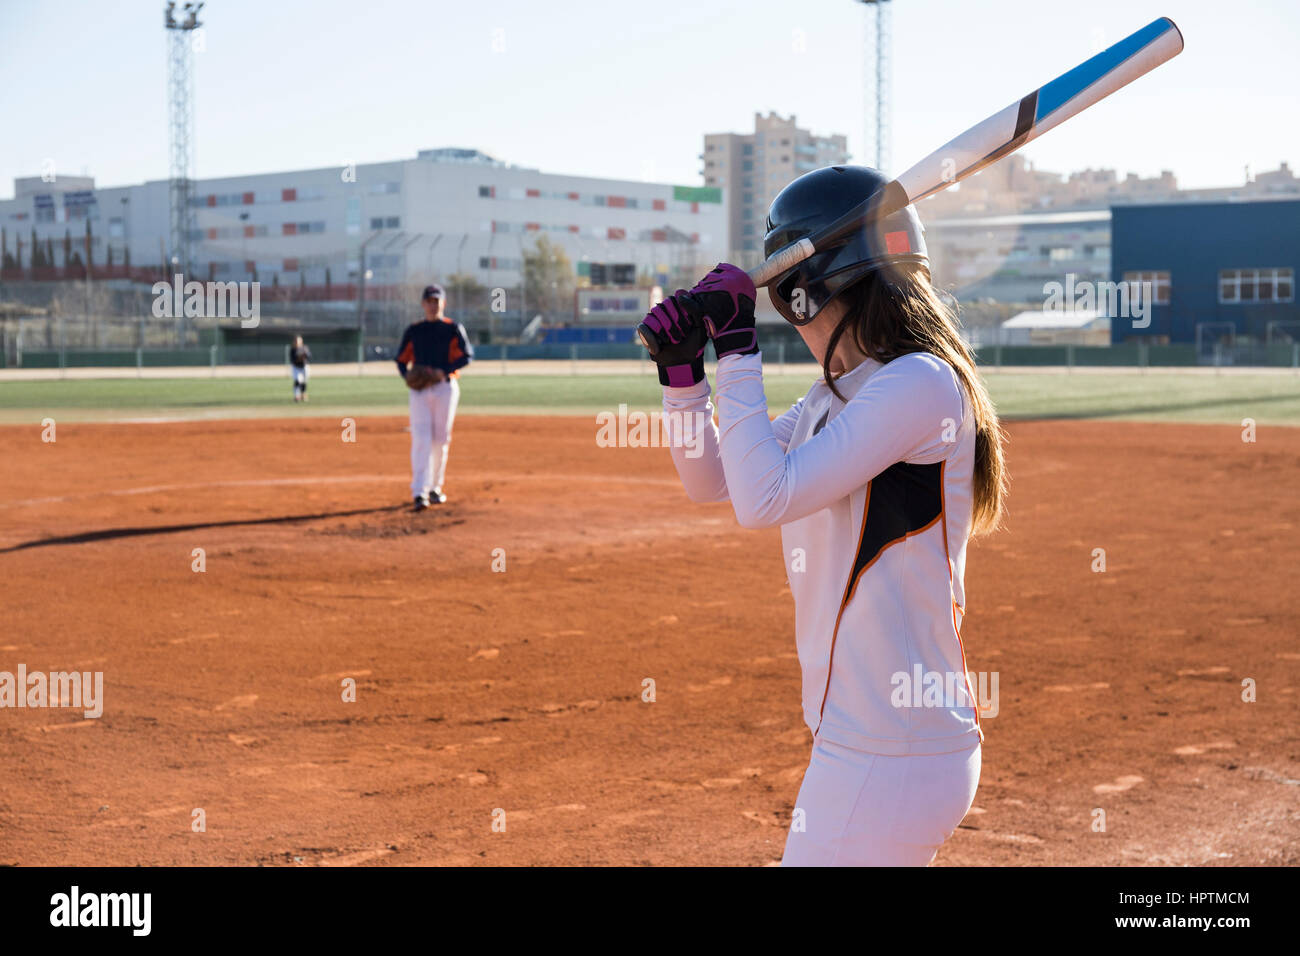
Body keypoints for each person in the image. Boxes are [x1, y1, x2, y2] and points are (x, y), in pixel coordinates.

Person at [640, 165, 1008, 866]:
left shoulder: (919, 383)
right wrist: (683, 378)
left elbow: (764, 501)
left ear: (802, 293)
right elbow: (716, 480)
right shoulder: (836, 396)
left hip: (890, 750)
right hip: (876, 744)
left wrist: (738, 350)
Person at [395, 284, 473, 511]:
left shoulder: (452, 328)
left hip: (444, 388)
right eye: (429, 301)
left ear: (443, 304)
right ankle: (419, 492)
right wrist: (407, 376)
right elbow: (400, 360)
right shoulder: (414, 330)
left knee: (440, 439)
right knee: (421, 438)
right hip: (419, 391)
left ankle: (435, 488)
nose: (432, 305)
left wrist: (444, 370)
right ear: (423, 304)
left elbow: (467, 356)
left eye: (436, 301)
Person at [289, 335, 311, 402]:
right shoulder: (293, 349)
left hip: (304, 366)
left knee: (304, 381)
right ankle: (296, 396)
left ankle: (303, 394)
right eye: (296, 341)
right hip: (296, 367)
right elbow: (293, 359)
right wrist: (299, 358)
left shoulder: (304, 348)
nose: (297, 342)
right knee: (297, 381)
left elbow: (309, 356)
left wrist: (304, 356)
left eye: (298, 341)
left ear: (301, 341)